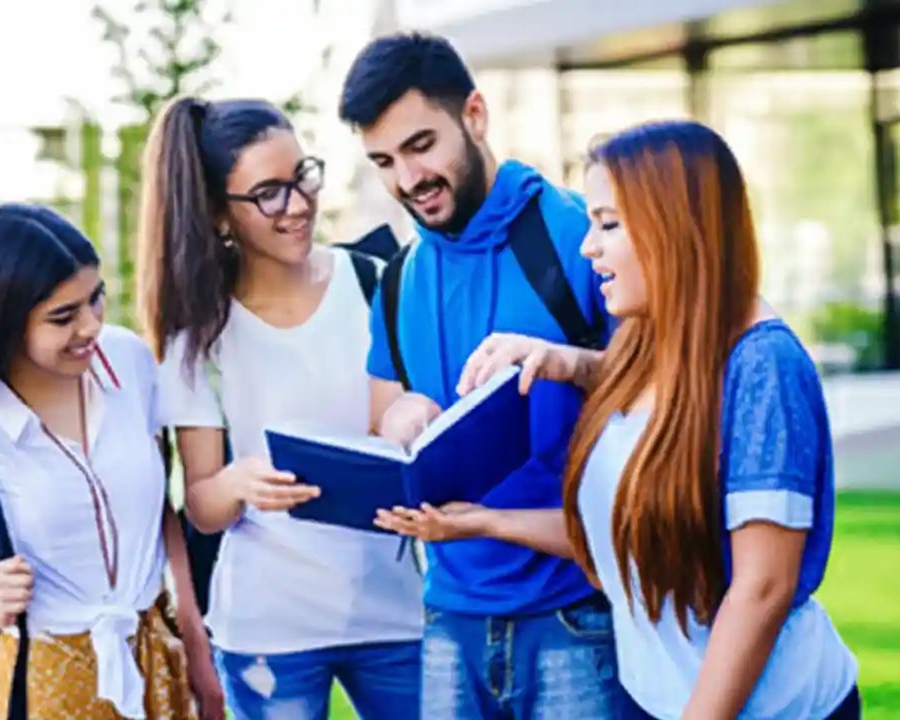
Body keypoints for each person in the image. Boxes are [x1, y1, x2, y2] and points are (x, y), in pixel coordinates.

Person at [454, 120, 861, 719]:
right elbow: (623, 535)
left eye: (608, 224)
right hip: (653, 699)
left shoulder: (764, 365)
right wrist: (480, 521)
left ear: (675, 226)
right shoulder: (647, 343)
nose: (588, 248)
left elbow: (763, 589)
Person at [339, 31, 626, 719]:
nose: (408, 179)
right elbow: (384, 413)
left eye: (421, 146)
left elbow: (660, 383)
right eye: (384, 161)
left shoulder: (577, 235)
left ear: (474, 115)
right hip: (448, 617)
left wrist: (566, 361)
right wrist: (401, 417)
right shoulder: (399, 281)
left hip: (575, 608)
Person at [0, 203, 224, 720]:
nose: (91, 326)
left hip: (156, 652)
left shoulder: (128, 361)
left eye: (96, 298)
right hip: (46, 680)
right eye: (63, 316)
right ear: (4, 323)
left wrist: (194, 639)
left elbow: (158, 511)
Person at [137, 97, 425, 720]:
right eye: (268, 193)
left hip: (396, 612)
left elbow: (401, 425)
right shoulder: (199, 338)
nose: (297, 204)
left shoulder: (376, 282)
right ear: (220, 214)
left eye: (302, 177)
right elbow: (203, 507)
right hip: (269, 631)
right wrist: (239, 480)